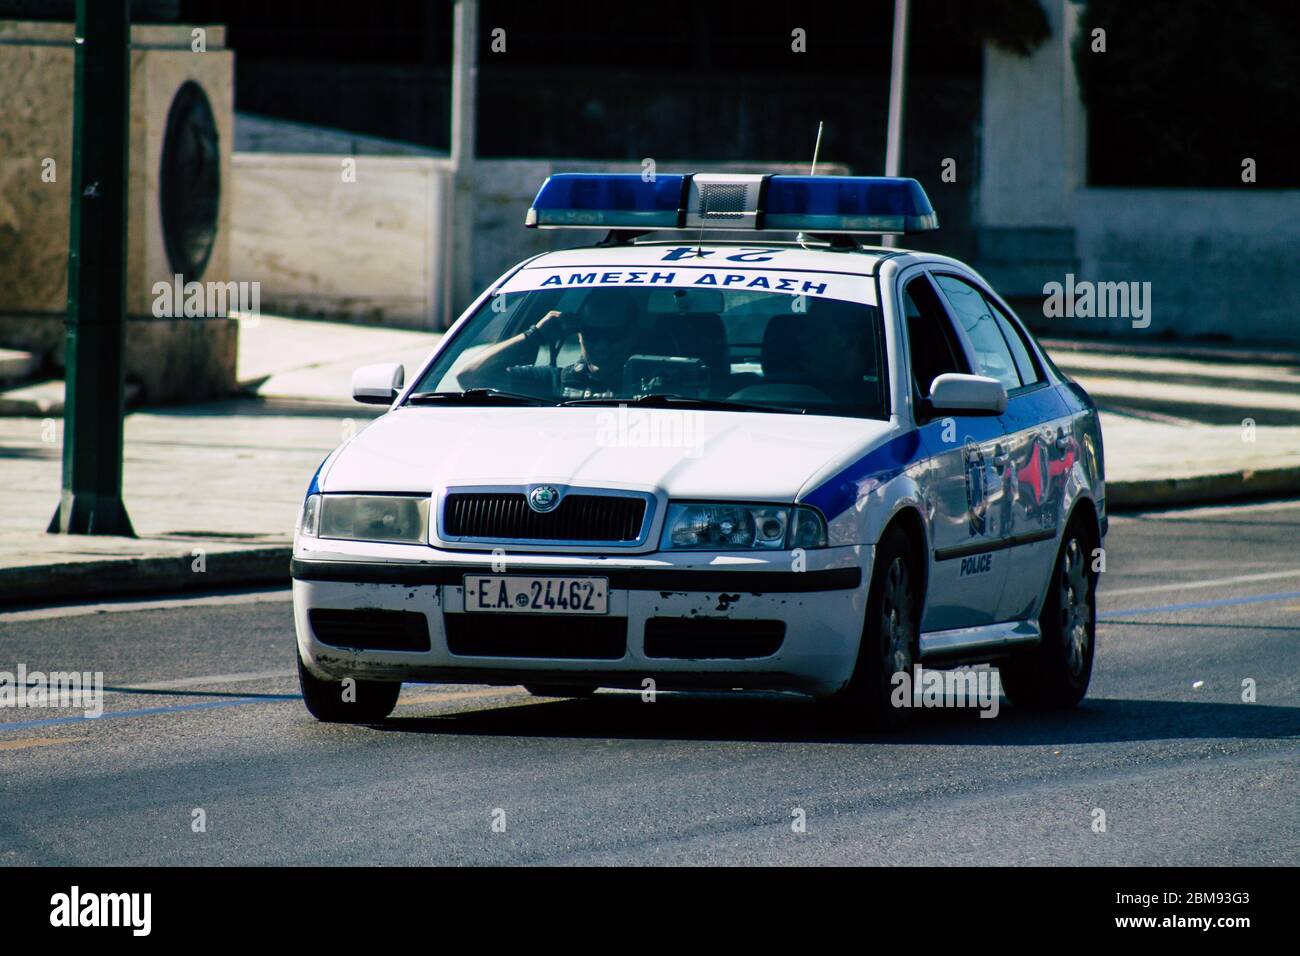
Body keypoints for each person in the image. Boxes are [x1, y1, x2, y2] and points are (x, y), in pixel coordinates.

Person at [458, 288, 648, 399]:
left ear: (633, 334)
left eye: (614, 334)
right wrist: (535, 335)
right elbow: (470, 377)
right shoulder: (553, 381)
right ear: (579, 334)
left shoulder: (661, 384)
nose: (601, 345)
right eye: (592, 333)